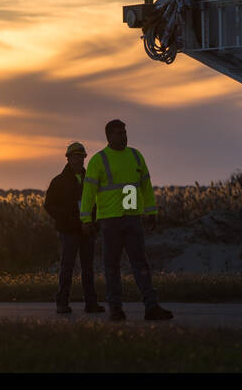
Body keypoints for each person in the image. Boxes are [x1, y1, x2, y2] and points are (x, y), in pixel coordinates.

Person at [80, 119, 173, 322]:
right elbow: (88, 193)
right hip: (110, 221)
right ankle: (115, 309)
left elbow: (146, 186)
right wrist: (86, 219)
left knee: (141, 264)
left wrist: (151, 211)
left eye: (124, 132)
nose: (123, 136)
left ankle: (151, 307)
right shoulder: (99, 160)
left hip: (132, 218)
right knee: (111, 266)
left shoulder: (135, 156)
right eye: (119, 133)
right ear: (109, 136)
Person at [44, 142, 104, 315]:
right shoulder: (59, 181)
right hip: (68, 231)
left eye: (81, 156)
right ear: (68, 158)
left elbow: (98, 203)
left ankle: (91, 303)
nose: (79, 159)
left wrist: (94, 223)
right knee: (67, 266)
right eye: (75, 156)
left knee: (88, 268)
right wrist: (67, 220)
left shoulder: (91, 180)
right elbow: (49, 205)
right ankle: (62, 303)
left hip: (88, 231)